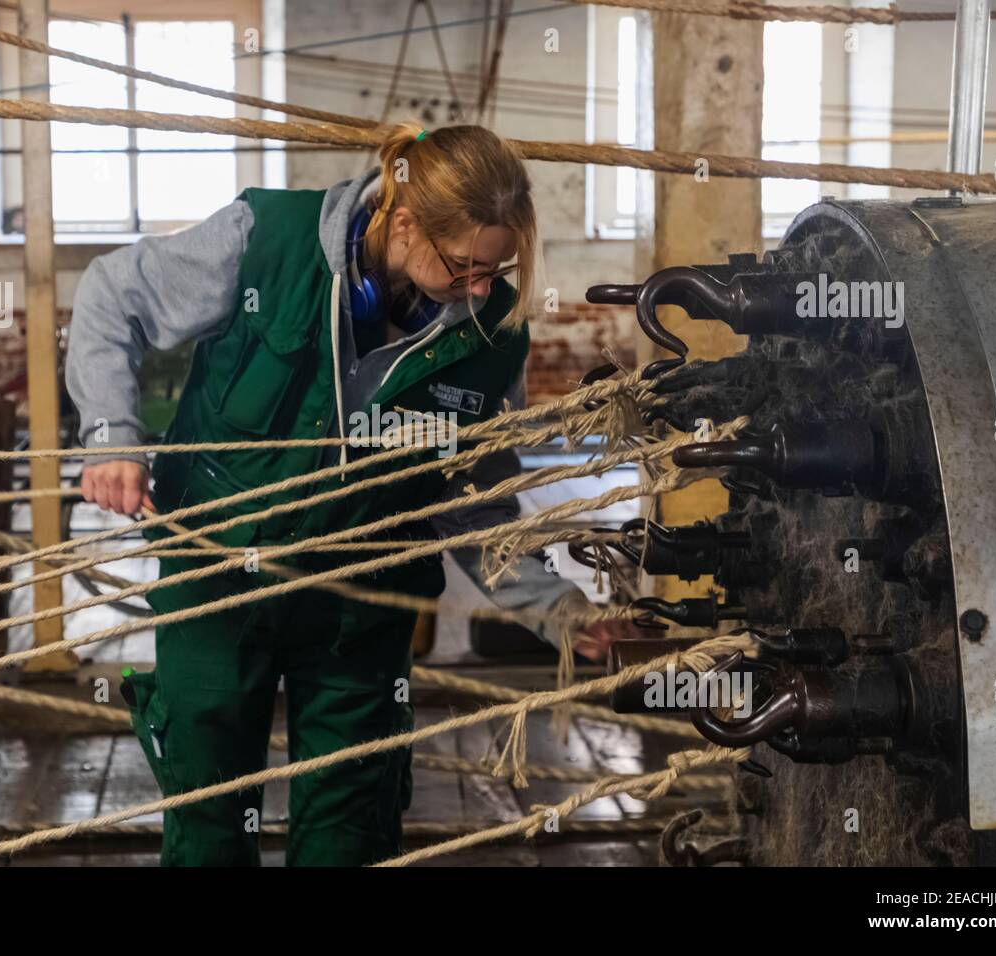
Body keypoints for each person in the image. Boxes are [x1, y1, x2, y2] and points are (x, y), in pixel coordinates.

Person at [66, 122, 632, 866]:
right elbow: (112, 296)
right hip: (216, 583)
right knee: (207, 819)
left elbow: (474, 501)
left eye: (498, 269)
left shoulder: (490, 336)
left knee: (350, 831)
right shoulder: (265, 241)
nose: (484, 289)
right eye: (464, 267)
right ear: (402, 223)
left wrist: (554, 610)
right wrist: (112, 435)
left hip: (362, 605)